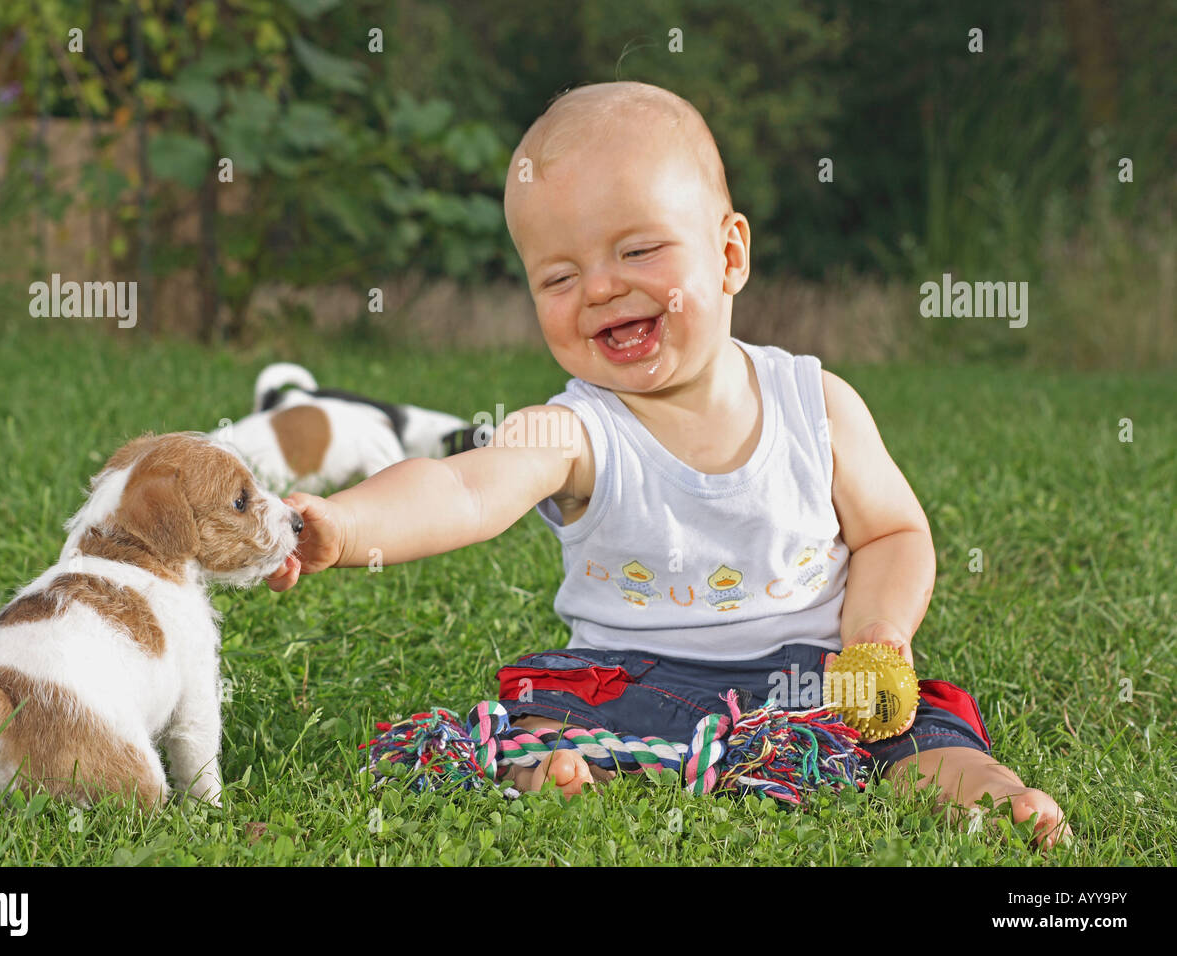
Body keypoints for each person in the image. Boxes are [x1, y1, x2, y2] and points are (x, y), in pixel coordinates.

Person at [265, 81, 1070, 850]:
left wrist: (879, 632)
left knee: (917, 732)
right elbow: (462, 487)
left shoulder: (813, 404)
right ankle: (561, 766)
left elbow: (894, 532)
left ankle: (983, 792)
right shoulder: (579, 429)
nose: (602, 288)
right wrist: (352, 523)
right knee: (553, 721)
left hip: (817, 680)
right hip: (635, 677)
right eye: (560, 275)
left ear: (729, 255)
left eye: (639, 249)